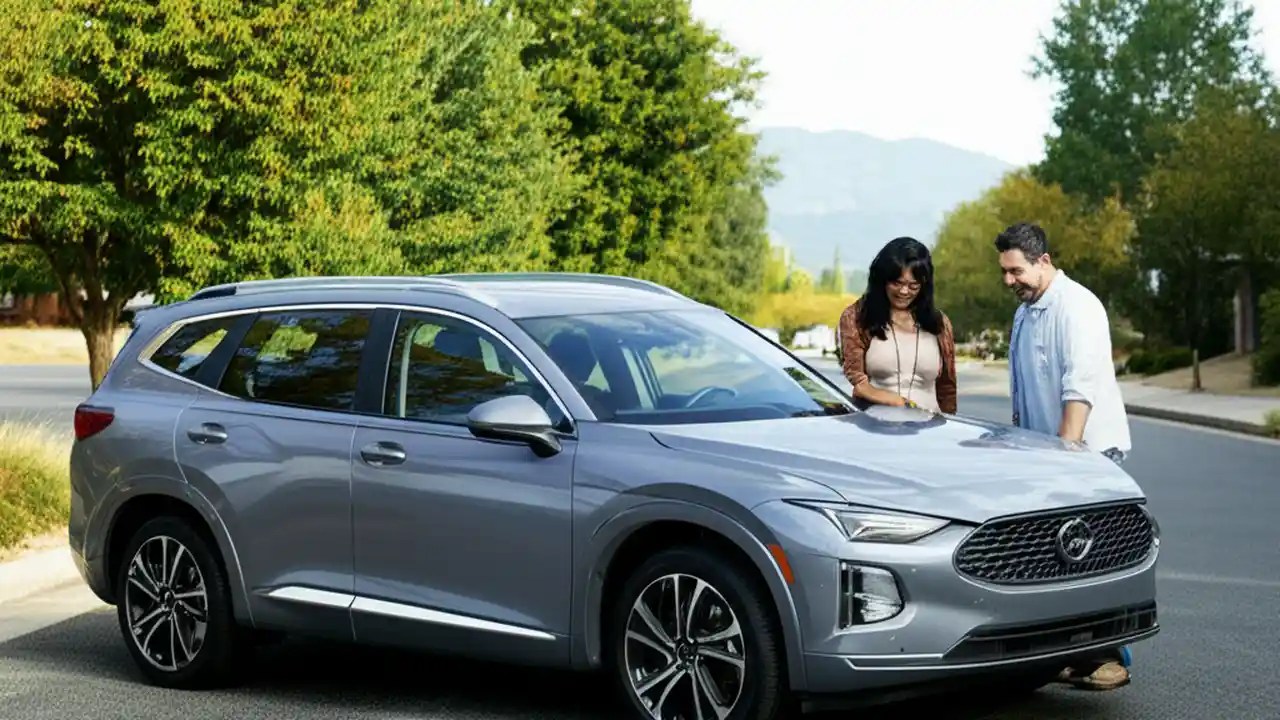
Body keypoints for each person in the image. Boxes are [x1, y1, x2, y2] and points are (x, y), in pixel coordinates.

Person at [994, 221, 1134, 691]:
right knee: (1057, 563)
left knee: (1089, 558)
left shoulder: (1079, 307)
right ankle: (1075, 652)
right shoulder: (1026, 313)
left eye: (1016, 271)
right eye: (1005, 272)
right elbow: (1021, 390)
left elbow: (1080, 387)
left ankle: (1111, 656)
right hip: (1045, 457)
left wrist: (1066, 459)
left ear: (1044, 261)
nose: (1009, 281)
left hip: (1085, 456)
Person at [838, 236, 957, 414]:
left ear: (924, 285)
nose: (904, 291)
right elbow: (859, 383)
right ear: (882, 280)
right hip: (876, 427)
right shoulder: (857, 317)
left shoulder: (940, 323)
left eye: (913, 285)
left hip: (929, 428)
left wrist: (950, 427)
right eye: (897, 283)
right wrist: (898, 402)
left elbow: (947, 387)